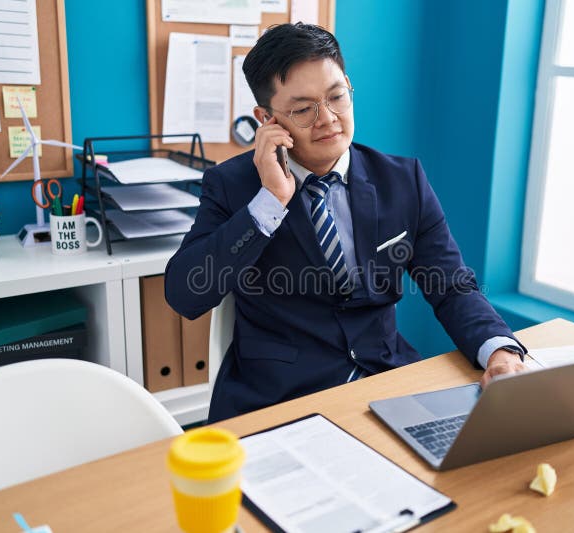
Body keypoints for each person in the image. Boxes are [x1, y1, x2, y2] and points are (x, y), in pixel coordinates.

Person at [165, 23, 527, 423]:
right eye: (303, 109)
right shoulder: (233, 186)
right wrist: (270, 202)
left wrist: (499, 351)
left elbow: (452, 286)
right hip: (280, 401)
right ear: (266, 119)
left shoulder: (402, 180)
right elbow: (186, 295)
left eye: (337, 97)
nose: (328, 119)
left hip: (387, 385)